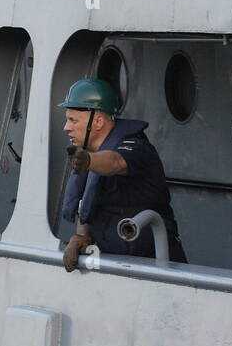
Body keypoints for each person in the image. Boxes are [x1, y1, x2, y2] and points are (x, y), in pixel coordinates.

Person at [58, 78, 187, 271]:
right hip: (113, 257)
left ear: (99, 122)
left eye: (73, 120)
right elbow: (87, 201)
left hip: (150, 262)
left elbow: (116, 162)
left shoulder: (135, 145)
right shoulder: (88, 151)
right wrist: (81, 235)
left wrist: (89, 161)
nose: (66, 127)